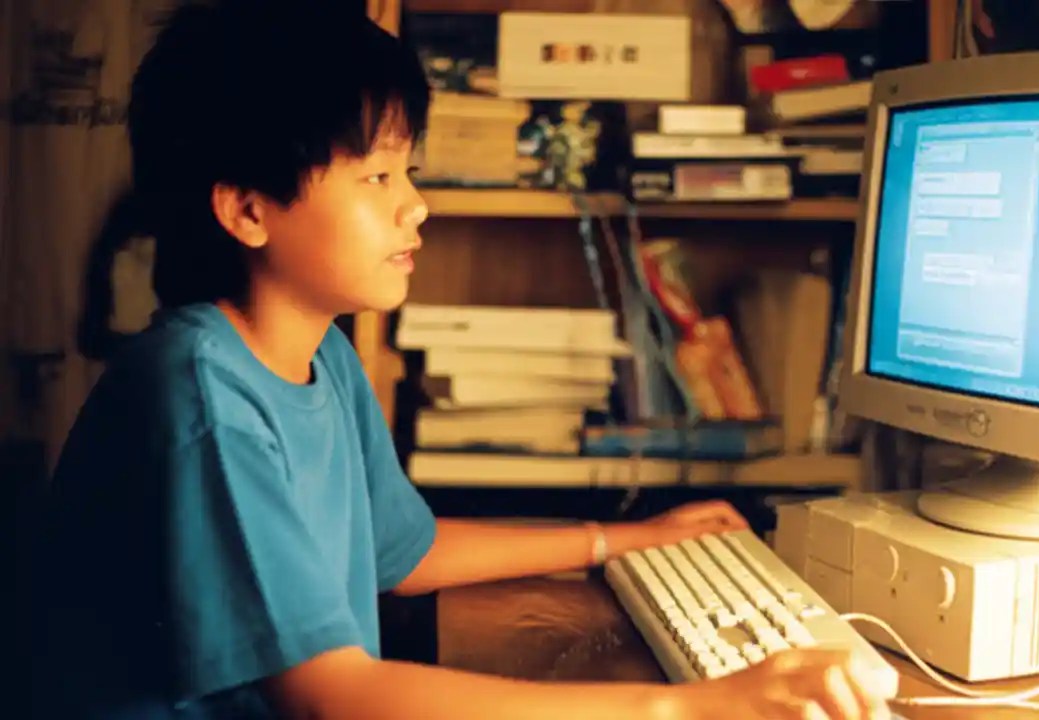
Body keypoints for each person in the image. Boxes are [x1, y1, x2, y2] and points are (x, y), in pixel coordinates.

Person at [33, 1, 895, 718]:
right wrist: (694, 706)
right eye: (377, 179)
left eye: (409, 172)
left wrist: (625, 539)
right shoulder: (202, 393)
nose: (417, 207)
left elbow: (403, 555)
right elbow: (334, 693)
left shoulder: (319, 355)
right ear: (248, 211)